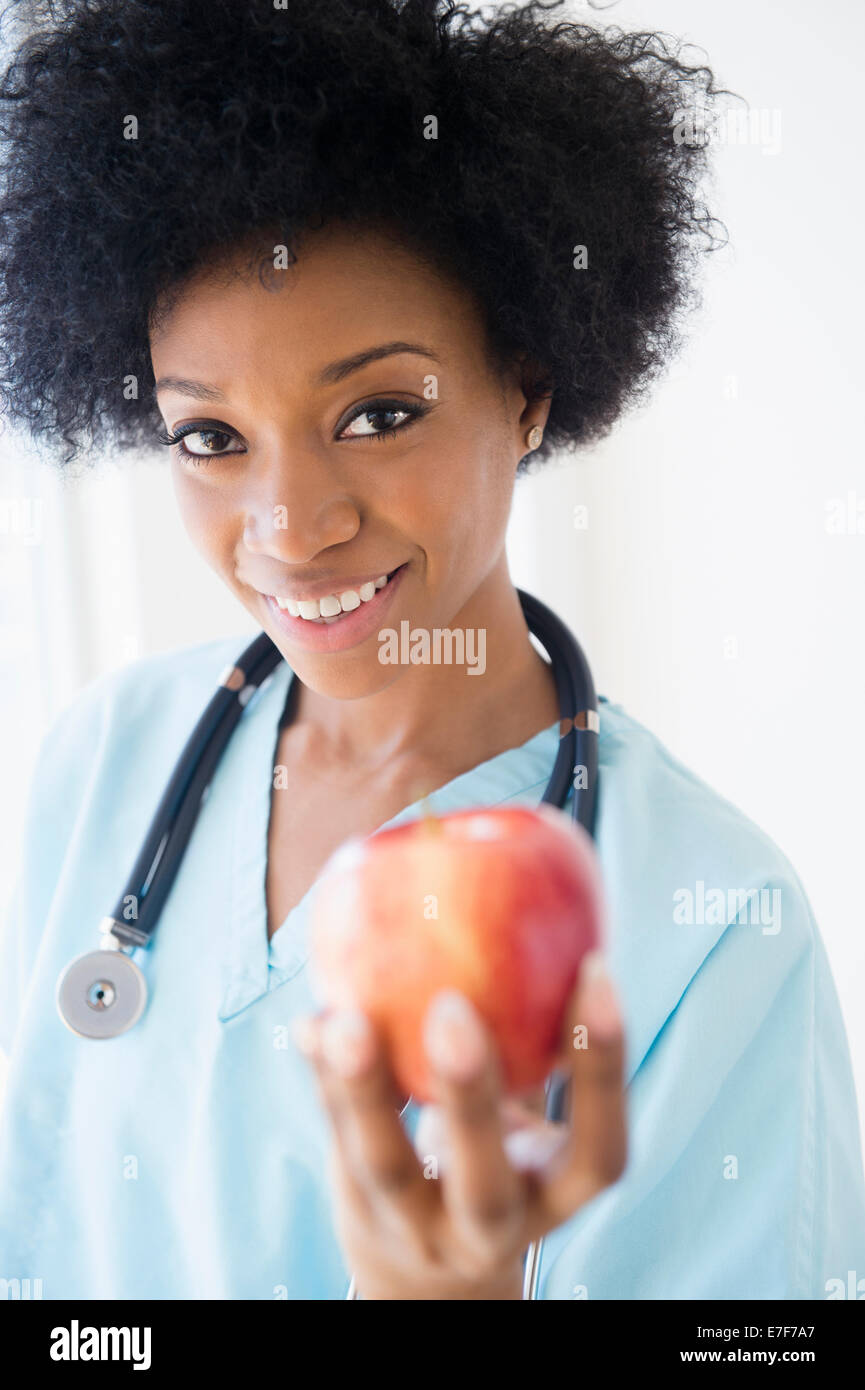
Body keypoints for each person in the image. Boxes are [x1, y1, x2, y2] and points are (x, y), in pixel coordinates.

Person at [0, 0, 862, 1301]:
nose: (292, 526)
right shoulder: (106, 757)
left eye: (378, 411)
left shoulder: (712, 924)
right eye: (209, 436)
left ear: (524, 390)